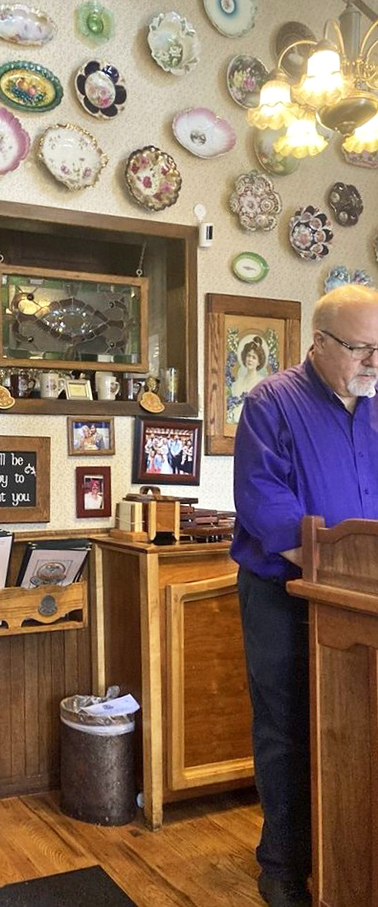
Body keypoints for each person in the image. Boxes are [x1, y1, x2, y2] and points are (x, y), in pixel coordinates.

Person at [231, 284, 378, 907]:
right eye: (360, 349)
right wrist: (340, 573)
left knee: (359, 733)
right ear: (318, 343)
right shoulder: (271, 402)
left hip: (365, 606)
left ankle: (351, 858)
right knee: (288, 730)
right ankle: (283, 865)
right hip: (284, 595)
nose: (373, 363)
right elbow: (267, 507)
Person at [228, 335, 268, 424]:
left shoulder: (261, 384)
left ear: (259, 362)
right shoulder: (236, 383)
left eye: (254, 357)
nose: (250, 359)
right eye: (248, 356)